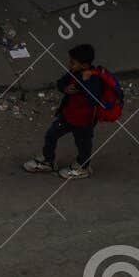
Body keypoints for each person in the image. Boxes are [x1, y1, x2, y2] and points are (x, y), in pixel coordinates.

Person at [24, 43, 111, 180]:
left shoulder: (94, 79)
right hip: (67, 116)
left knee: (83, 144)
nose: (70, 65)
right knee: (51, 135)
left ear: (84, 65)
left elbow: (94, 99)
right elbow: (61, 82)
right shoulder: (74, 73)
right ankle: (48, 161)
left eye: (73, 62)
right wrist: (64, 88)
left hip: (84, 121)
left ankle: (83, 167)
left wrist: (84, 83)